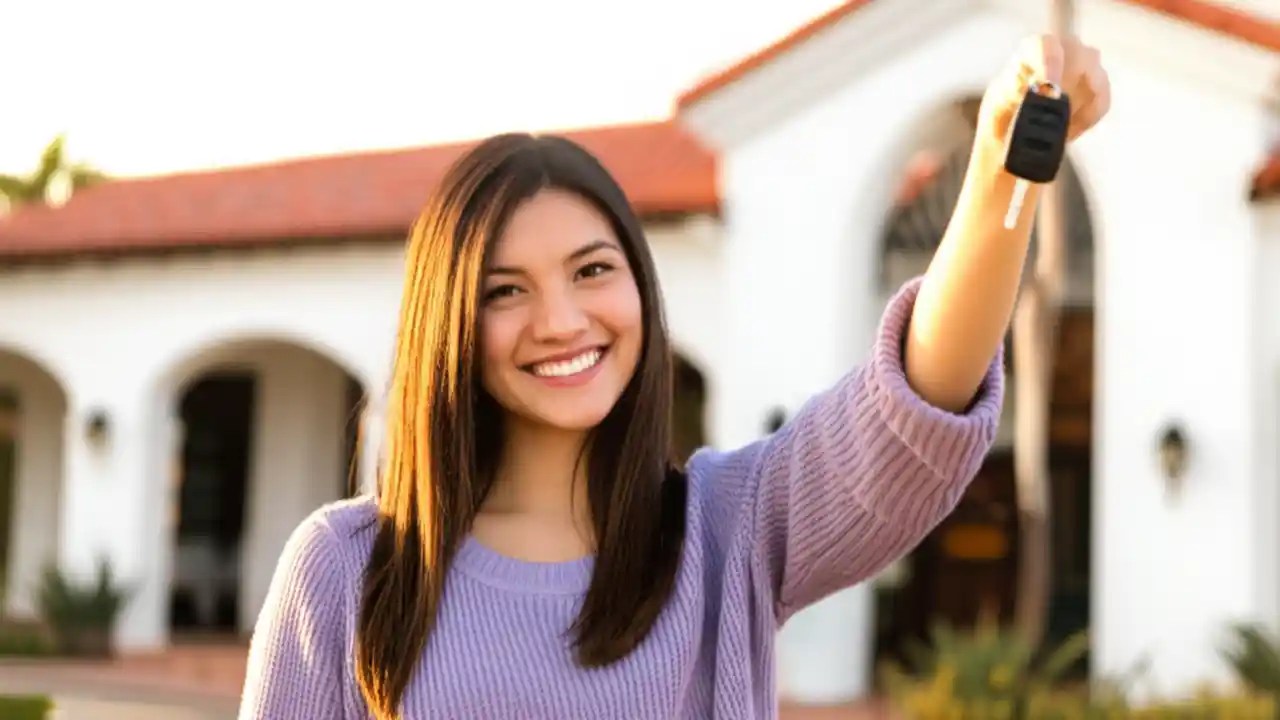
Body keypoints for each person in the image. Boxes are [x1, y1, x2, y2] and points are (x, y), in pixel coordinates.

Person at [238, 33, 1110, 720]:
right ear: (451, 324)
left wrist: (1000, 163)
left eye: (591, 271)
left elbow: (915, 400)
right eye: (507, 290)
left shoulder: (723, 533)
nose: (561, 322)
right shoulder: (345, 571)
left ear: (640, 291)